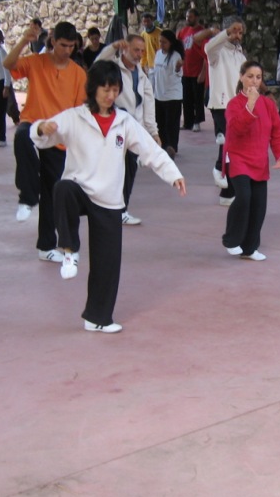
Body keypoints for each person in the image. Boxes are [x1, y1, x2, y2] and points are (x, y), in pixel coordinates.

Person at [31, 60, 186, 334]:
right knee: (62, 188)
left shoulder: (124, 121)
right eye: (105, 89)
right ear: (93, 89)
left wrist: (173, 174)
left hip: (109, 199)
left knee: (108, 262)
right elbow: (43, 135)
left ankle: (97, 318)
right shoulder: (75, 117)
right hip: (79, 189)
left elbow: (149, 150)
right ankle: (69, 251)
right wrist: (41, 128)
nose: (110, 95)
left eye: (115, 89)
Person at [4, 21, 87, 259]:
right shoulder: (36, 62)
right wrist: (23, 40)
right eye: (63, 45)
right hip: (33, 122)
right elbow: (8, 64)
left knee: (53, 192)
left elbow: (79, 111)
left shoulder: (78, 74)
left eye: (71, 46)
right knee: (22, 137)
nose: (67, 50)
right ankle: (27, 197)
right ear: (52, 41)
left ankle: (46, 247)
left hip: (58, 135)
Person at [221, 61, 280, 262]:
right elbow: (237, 128)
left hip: (259, 161)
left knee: (259, 205)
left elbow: (277, 132)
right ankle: (231, 239)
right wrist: (250, 104)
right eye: (250, 76)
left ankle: (249, 248)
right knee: (244, 198)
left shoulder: (268, 105)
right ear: (241, 77)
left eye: (258, 77)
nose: (254, 81)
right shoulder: (234, 104)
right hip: (238, 158)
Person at [97, 35, 161, 224]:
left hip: (134, 130)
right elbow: (97, 65)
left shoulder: (142, 75)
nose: (139, 54)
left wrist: (153, 132)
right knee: (113, 170)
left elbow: (148, 104)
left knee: (130, 169)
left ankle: (122, 210)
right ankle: (108, 208)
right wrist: (112, 47)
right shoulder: (113, 69)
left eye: (142, 51)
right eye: (135, 50)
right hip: (113, 128)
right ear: (125, 49)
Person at [205, 16, 247, 205]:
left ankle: (227, 193)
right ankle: (218, 171)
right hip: (221, 106)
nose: (237, 35)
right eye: (234, 31)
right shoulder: (217, 52)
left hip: (237, 107)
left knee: (231, 148)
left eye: (240, 32)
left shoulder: (241, 56)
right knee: (230, 145)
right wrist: (226, 33)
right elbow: (208, 48)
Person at [150, 29, 184, 156]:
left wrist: (178, 67)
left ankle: (172, 147)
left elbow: (178, 72)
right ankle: (163, 146)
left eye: (164, 42)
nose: (161, 44)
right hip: (159, 95)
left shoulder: (175, 56)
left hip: (172, 96)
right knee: (160, 123)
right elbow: (154, 72)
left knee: (171, 124)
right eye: (160, 42)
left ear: (171, 43)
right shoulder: (158, 54)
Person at [178, 8, 207, 133]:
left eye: (190, 16)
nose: (188, 19)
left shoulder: (202, 32)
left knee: (197, 98)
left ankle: (197, 121)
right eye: (186, 16)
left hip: (197, 71)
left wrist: (203, 72)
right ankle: (188, 122)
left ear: (196, 17)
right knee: (186, 98)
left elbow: (206, 54)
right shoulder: (183, 31)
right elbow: (178, 46)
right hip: (185, 71)